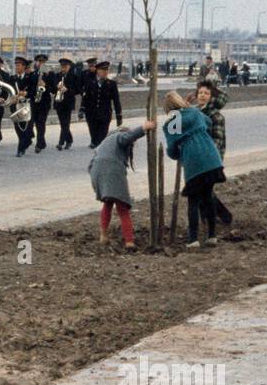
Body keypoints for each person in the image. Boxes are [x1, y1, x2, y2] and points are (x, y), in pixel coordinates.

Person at [163, 90, 225, 249]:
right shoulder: (194, 112)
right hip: (212, 158)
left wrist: (180, 151)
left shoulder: (173, 120)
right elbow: (209, 123)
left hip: (195, 164)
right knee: (208, 196)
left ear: (168, 109)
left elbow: (172, 149)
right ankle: (212, 236)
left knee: (193, 201)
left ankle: (193, 239)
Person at [88, 119, 155, 252]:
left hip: (96, 172)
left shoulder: (103, 143)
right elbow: (127, 137)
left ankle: (103, 236)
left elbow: (91, 164)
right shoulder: (119, 136)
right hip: (112, 171)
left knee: (108, 203)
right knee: (122, 207)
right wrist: (144, 128)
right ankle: (129, 242)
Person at [192, 82, 232, 225]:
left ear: (211, 97)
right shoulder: (194, 112)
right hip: (197, 157)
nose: (202, 95)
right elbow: (178, 126)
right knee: (201, 188)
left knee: (204, 189)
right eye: (200, 93)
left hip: (211, 158)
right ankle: (212, 217)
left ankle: (221, 216)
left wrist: (206, 154)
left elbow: (218, 140)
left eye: (206, 93)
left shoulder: (216, 116)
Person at [82, 59, 122, 148]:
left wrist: (119, 115)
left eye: (106, 70)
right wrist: (82, 109)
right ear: (97, 71)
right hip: (91, 113)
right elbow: (85, 98)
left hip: (105, 114)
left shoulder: (111, 84)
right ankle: (95, 142)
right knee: (93, 132)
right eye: (103, 70)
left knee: (101, 136)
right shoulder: (90, 83)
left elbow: (116, 100)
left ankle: (99, 147)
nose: (105, 72)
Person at [11, 55, 38, 157]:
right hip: (16, 106)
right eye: (16, 65)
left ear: (24, 66)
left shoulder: (31, 77)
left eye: (19, 65)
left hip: (27, 106)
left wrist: (26, 93)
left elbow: (34, 90)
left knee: (26, 128)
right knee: (18, 128)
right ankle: (25, 143)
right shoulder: (12, 78)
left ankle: (21, 149)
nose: (17, 67)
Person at [53, 57, 80, 150]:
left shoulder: (73, 76)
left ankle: (61, 142)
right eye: (62, 66)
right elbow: (52, 89)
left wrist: (67, 90)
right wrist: (57, 87)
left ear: (69, 67)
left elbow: (77, 90)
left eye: (65, 67)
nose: (63, 68)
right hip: (59, 102)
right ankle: (69, 139)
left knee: (65, 123)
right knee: (63, 123)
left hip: (68, 102)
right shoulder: (57, 76)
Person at [31, 54, 55, 153]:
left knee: (41, 123)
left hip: (44, 102)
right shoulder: (33, 74)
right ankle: (42, 141)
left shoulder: (50, 74)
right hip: (34, 102)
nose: (40, 64)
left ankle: (39, 144)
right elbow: (29, 88)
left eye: (42, 62)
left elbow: (54, 89)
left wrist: (46, 85)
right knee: (34, 123)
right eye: (38, 61)